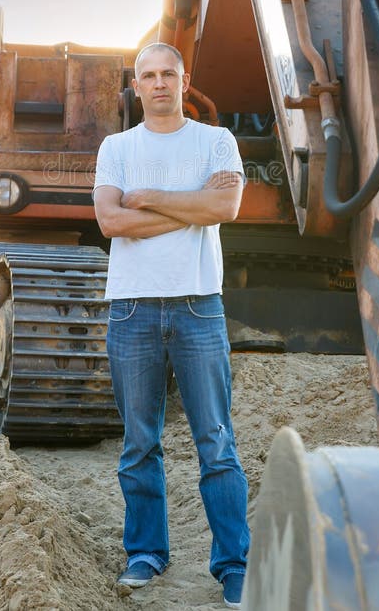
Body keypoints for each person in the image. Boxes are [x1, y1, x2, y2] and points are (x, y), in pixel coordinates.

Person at [93, 42, 250, 609]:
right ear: (136, 86)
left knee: (217, 442)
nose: (159, 83)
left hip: (198, 304)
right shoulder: (117, 147)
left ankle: (234, 566)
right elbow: (111, 220)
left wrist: (154, 200)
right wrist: (190, 206)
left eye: (169, 74)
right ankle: (145, 554)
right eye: (149, 75)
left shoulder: (216, 140)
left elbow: (225, 209)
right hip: (132, 307)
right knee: (140, 442)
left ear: (185, 83)